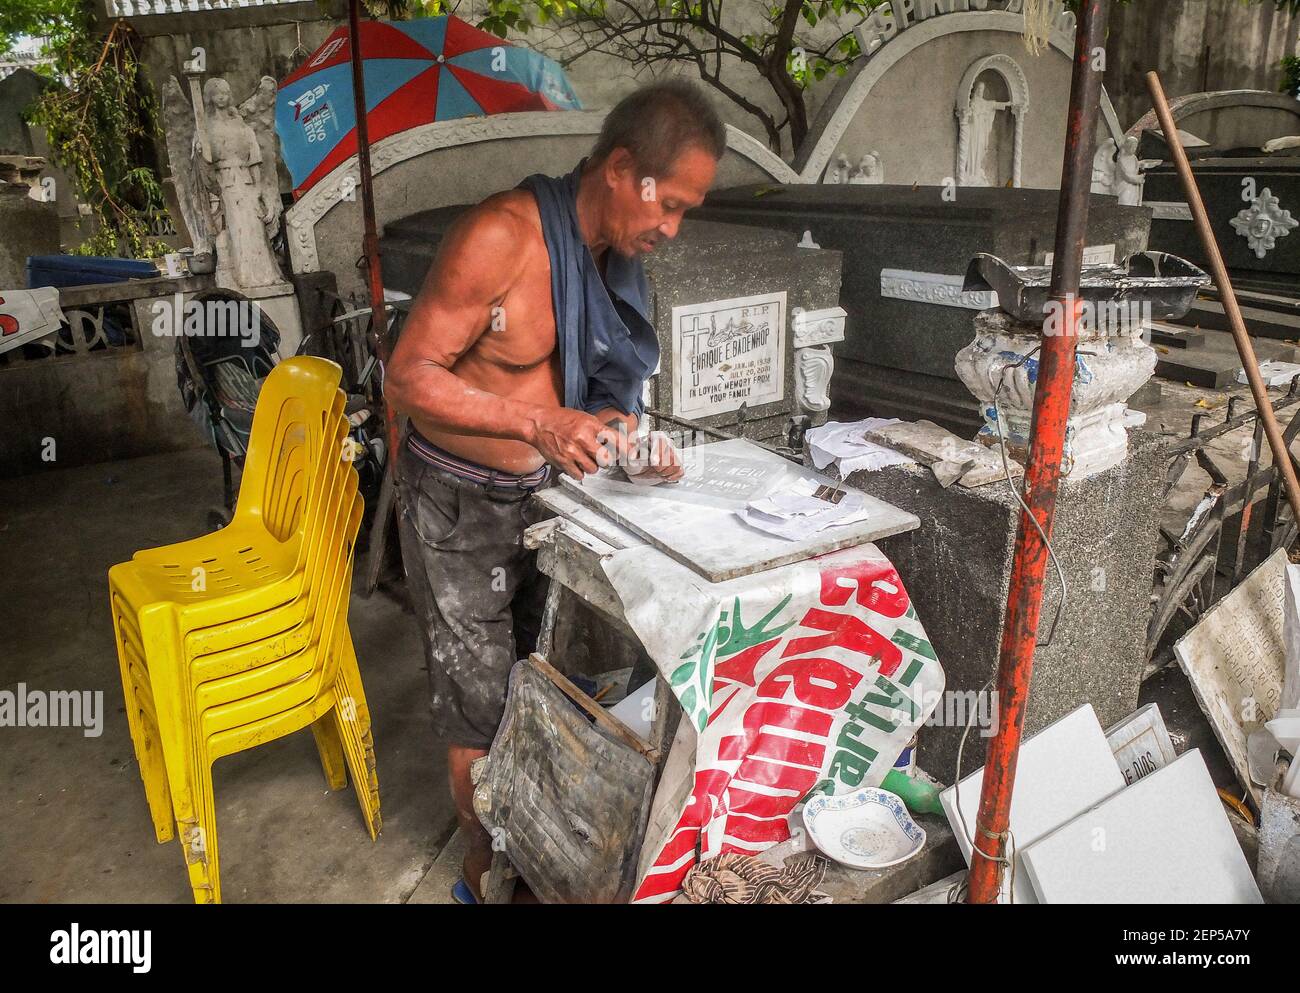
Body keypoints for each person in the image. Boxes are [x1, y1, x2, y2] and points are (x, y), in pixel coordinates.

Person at [385, 79, 725, 903]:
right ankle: (483, 873)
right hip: (457, 501)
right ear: (620, 171)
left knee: (547, 680)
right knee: (476, 702)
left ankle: (537, 848)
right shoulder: (500, 238)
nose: (670, 230)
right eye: (668, 206)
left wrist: (625, 442)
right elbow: (406, 375)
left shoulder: (611, 258)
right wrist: (535, 427)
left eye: (686, 213)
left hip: (544, 495)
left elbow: (592, 394)